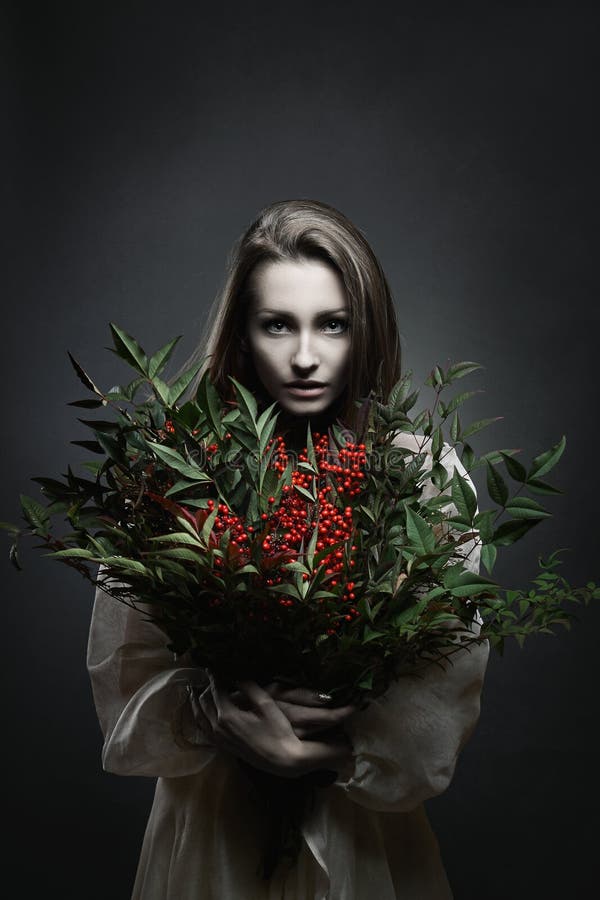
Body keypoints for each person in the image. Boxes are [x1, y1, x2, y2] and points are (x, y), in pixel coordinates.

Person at [87, 199, 489, 899]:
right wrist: (216, 713)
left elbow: (441, 698)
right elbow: (126, 677)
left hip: (359, 834)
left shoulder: (417, 477)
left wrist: (328, 754)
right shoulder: (181, 473)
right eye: (278, 324)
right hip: (209, 832)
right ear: (242, 335)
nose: (306, 355)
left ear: (367, 331)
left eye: (333, 324)